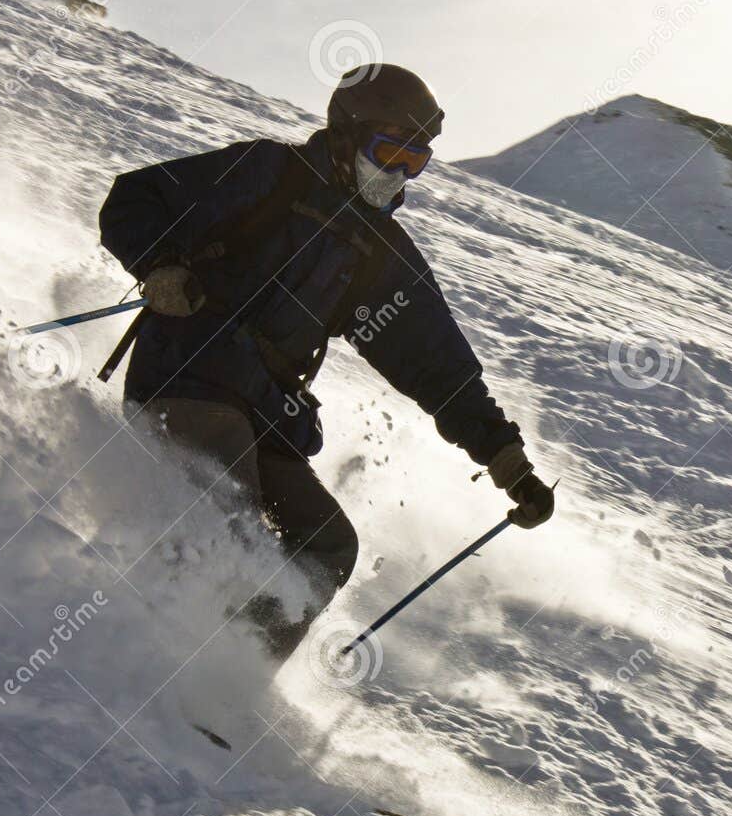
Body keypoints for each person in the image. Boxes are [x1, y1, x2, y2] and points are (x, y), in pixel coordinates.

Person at [98, 63, 553, 659]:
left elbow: (436, 364)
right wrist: (160, 267)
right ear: (347, 135)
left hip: (267, 411)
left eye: (415, 162)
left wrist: (507, 461)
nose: (398, 174)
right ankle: (152, 655)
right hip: (187, 374)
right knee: (230, 512)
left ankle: (230, 676)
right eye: (389, 153)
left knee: (328, 545)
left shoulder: (378, 255)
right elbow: (136, 199)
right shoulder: (268, 175)